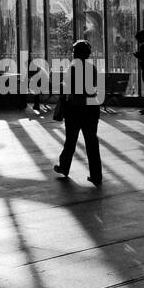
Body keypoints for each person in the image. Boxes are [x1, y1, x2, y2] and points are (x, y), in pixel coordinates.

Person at [54, 39, 102, 185]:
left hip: (75, 108)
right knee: (91, 142)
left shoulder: (73, 68)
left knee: (70, 140)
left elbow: (68, 87)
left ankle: (64, 167)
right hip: (91, 108)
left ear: (79, 53)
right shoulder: (92, 68)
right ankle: (96, 175)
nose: (72, 53)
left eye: (74, 51)